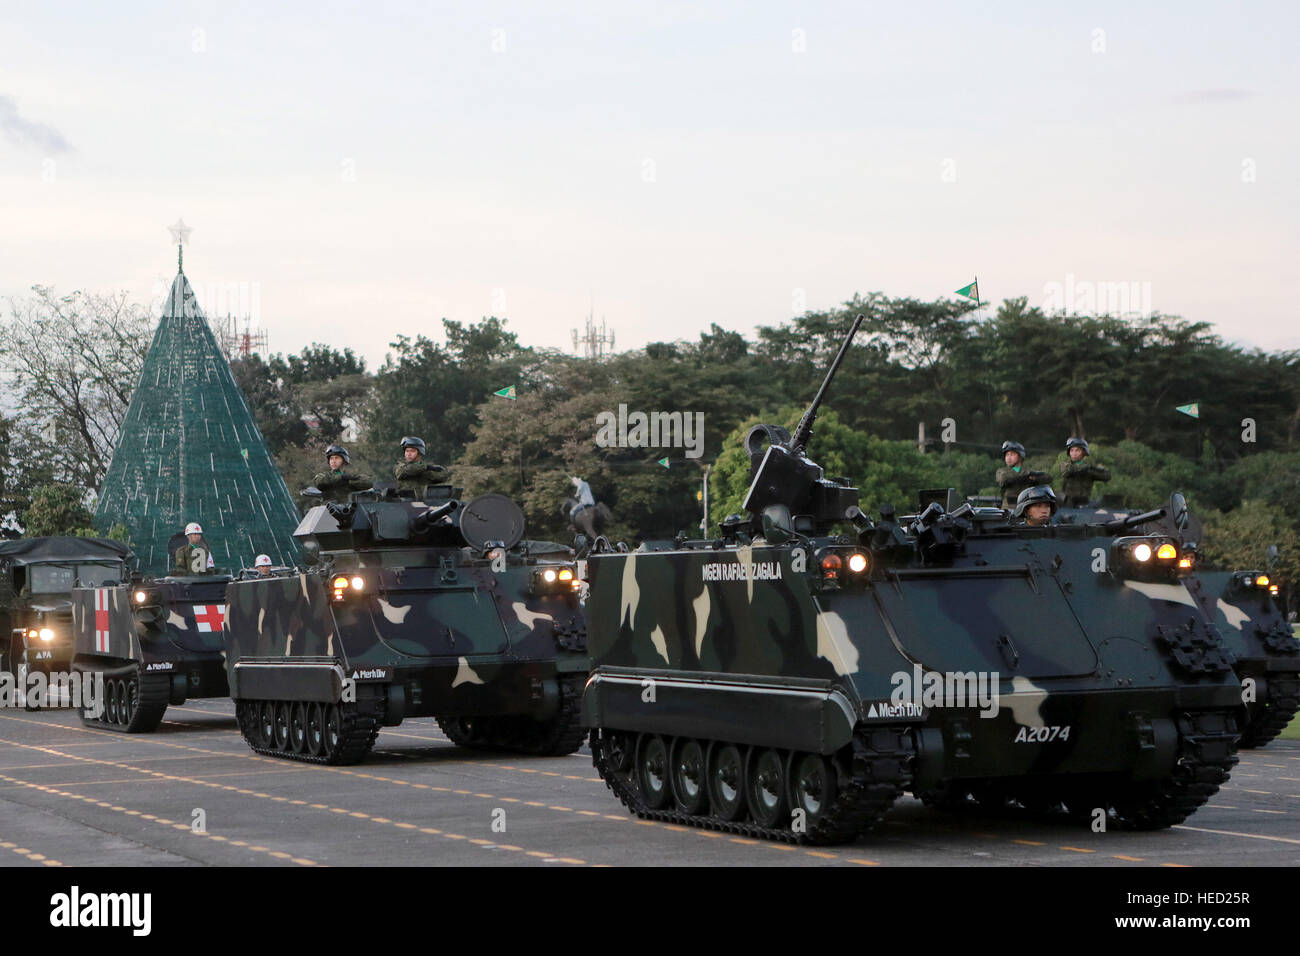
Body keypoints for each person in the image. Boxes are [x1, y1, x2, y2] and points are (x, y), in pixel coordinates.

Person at [996, 441, 1050, 510]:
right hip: (1009, 509)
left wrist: (1033, 478)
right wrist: (1026, 476)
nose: (1008, 458)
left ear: (1020, 456)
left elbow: (1047, 478)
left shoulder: (1029, 471)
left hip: (1026, 508)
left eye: (1012, 454)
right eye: (1007, 455)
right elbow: (1003, 478)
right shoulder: (1002, 471)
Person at [1058, 437, 1111, 507]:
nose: (1074, 453)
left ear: (1083, 452)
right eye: (1072, 450)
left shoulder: (1089, 468)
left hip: (1084, 502)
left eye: (1077, 450)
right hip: (1067, 503)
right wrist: (1086, 467)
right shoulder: (1066, 465)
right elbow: (1067, 472)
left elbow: (1106, 476)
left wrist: (1095, 470)